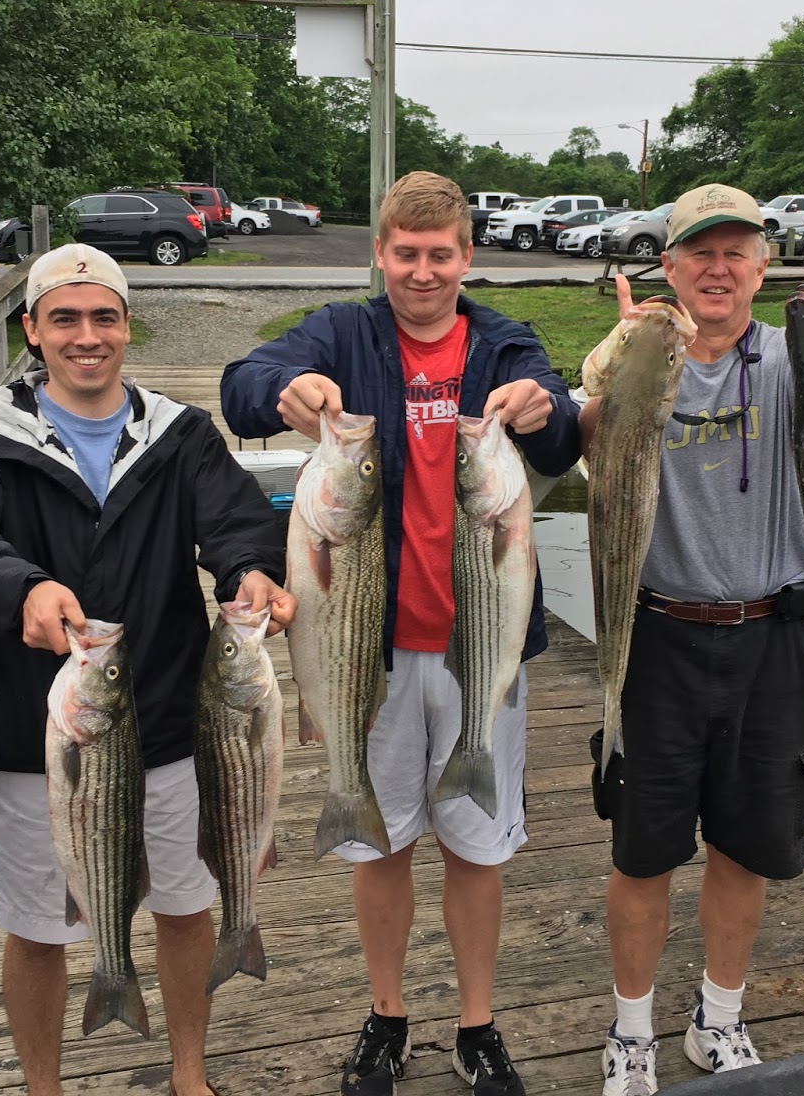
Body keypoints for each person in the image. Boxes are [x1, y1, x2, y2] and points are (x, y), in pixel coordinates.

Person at [220, 170, 582, 1096]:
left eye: (441, 255)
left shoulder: (503, 342)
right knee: (378, 848)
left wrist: (545, 410)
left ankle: (476, 1024)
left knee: (477, 848)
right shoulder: (343, 333)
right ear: (380, 253)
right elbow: (241, 386)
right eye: (407, 254)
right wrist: (285, 386)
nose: (423, 272)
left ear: (467, 256)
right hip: (365, 654)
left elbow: (562, 428)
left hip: (480, 650)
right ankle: (386, 1015)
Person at [0, 242, 292, 1096]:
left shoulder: (179, 433)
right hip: (40, 727)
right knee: (36, 928)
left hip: (171, 714)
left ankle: (189, 1075)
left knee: (186, 906)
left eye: (103, 318)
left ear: (126, 326)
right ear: (32, 330)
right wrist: (20, 587)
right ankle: (42, 1088)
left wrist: (249, 572)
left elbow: (235, 521)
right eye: (65, 319)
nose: (86, 336)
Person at [582, 184, 804, 1096]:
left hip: (771, 635)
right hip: (657, 637)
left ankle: (719, 1017)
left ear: (761, 265)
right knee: (642, 852)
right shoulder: (639, 352)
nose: (718, 269)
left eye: (735, 252)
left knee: (747, 847)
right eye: (700, 253)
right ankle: (632, 1032)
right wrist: (608, 375)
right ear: (668, 266)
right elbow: (582, 444)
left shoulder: (794, 357)